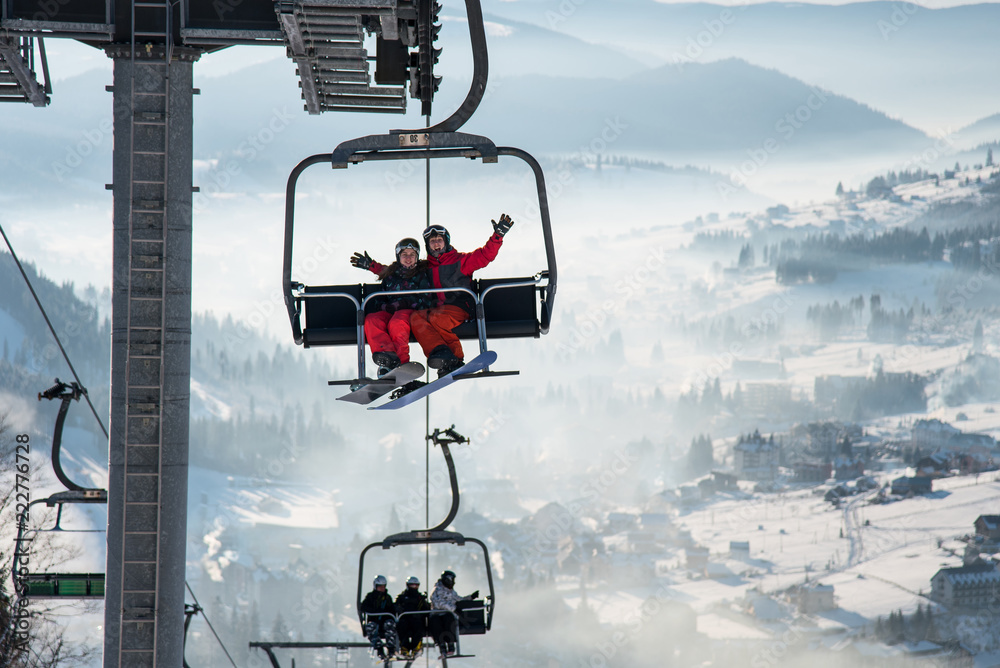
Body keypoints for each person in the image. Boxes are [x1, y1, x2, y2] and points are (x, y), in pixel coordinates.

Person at [410, 214, 514, 378]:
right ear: (427, 246)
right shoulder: (425, 267)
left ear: (446, 242)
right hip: (437, 310)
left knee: (437, 319)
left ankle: (456, 358)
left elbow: (485, 256)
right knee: (416, 318)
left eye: (439, 240)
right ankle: (442, 355)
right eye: (432, 241)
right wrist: (373, 267)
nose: (436, 244)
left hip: (460, 307)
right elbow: (401, 271)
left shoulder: (460, 261)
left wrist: (497, 236)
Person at [350, 238, 432, 376]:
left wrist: (403, 304)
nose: (408, 258)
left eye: (412, 255)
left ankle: (402, 362)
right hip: (391, 312)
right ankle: (387, 357)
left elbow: (426, 299)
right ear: (398, 256)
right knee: (372, 319)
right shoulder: (390, 275)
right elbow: (380, 296)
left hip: (412, 313)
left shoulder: (421, 274)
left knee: (397, 322)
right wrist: (384, 306)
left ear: (417, 257)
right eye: (404, 254)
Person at [429, 569, 479, 657]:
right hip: (437, 614)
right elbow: (439, 603)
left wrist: (470, 597)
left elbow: (459, 599)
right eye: (452, 580)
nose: (453, 582)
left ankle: (451, 644)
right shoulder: (437, 590)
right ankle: (442, 646)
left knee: (449, 619)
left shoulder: (451, 592)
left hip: (447, 615)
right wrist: (454, 609)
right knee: (436, 622)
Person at [360, 575, 399, 660]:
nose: (382, 588)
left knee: (390, 624)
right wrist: (375, 611)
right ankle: (379, 649)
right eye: (380, 586)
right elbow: (363, 607)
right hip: (375, 621)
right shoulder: (370, 597)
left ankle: (391, 649)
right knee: (370, 627)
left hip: (385, 621)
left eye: (383, 586)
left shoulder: (387, 598)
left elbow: (391, 610)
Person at [394, 575, 431, 657]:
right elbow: (396, 607)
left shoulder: (420, 598)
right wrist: (400, 610)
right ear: (408, 585)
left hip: (417, 620)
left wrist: (421, 611)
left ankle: (416, 647)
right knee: (402, 626)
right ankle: (404, 648)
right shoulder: (402, 597)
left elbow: (426, 610)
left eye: (416, 585)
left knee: (418, 626)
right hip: (405, 619)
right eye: (412, 585)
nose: (414, 587)